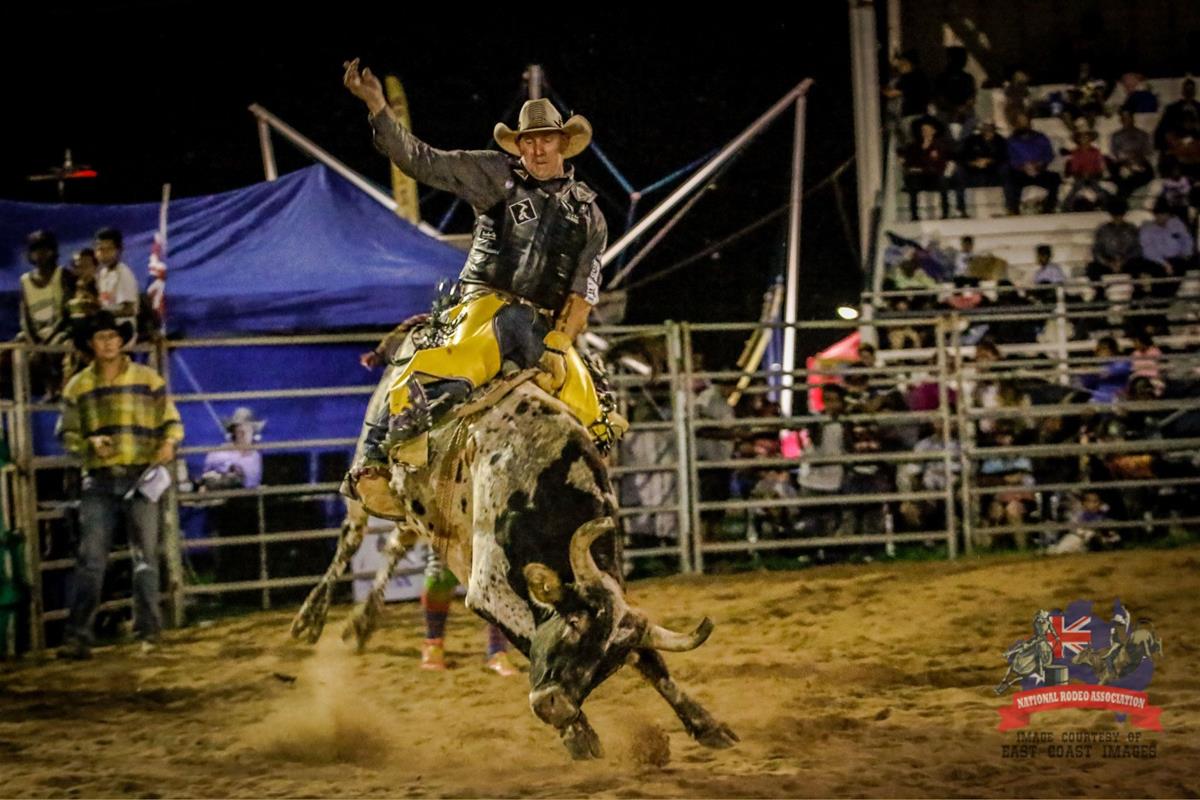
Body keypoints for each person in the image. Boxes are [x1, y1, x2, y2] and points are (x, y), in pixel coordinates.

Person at [340, 59, 620, 515]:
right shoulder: (493, 173)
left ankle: (588, 504)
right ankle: (374, 467)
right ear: (520, 144)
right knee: (432, 371)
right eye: (529, 140)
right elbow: (421, 160)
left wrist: (560, 341)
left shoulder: (588, 214)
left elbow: (582, 290)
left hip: (543, 326)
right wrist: (377, 107)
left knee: (594, 411)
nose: (538, 149)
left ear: (562, 143)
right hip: (484, 304)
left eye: (546, 139)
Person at [56, 311, 184, 659]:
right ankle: (79, 637)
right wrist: (89, 444)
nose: (109, 342)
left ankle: (148, 632)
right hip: (99, 480)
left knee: (145, 557)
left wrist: (168, 442)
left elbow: (171, 421)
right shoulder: (78, 386)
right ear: (91, 344)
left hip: (140, 475)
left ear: (121, 340)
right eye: (101, 337)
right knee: (92, 559)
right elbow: (67, 433)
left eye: (113, 336)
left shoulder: (148, 379)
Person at [16, 230, 74, 398]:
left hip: (60, 330)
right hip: (36, 333)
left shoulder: (62, 275)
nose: (40, 254)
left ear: (52, 251)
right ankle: (21, 395)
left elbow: (66, 312)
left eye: (45, 249)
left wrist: (47, 339)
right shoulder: (25, 280)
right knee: (12, 350)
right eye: (35, 250)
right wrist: (34, 341)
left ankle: (58, 389)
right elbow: (25, 317)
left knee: (57, 346)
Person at [1004, 113, 1061, 215]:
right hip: (1021, 172)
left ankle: (1049, 208)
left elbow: (1049, 154)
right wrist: (1023, 166)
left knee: (1055, 178)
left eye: (1024, 121)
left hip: (1039, 170)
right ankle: (1013, 209)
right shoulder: (1012, 140)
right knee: (1010, 178)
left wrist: (1039, 164)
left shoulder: (1041, 137)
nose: (1023, 124)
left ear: (1029, 122)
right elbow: (1011, 158)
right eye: (1020, 122)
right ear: (1016, 124)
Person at [201, 407, 265, 490]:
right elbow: (206, 478)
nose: (244, 434)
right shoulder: (217, 454)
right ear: (234, 432)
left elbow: (256, 482)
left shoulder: (256, 456)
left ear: (253, 432)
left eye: (248, 430)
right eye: (240, 431)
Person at [93, 227, 140, 339]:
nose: (104, 254)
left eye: (109, 249)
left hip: (122, 328)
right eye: (100, 249)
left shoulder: (124, 273)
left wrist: (104, 315)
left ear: (119, 250)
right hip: (105, 326)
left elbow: (130, 310)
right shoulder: (102, 273)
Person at [1107, 109, 1155, 201]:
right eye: (1124, 118)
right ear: (1121, 120)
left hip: (1140, 162)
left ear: (1133, 119)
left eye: (1128, 117)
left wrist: (1137, 158)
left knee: (1146, 174)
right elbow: (1114, 153)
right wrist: (1126, 162)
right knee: (1118, 172)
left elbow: (1148, 151)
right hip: (1123, 162)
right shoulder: (1116, 136)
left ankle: (1121, 196)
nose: (1126, 120)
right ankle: (1122, 196)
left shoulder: (1142, 134)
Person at [1139, 197, 1195, 273]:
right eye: (1160, 215)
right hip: (1157, 261)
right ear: (1155, 215)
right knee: (1155, 268)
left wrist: (1186, 254)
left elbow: (1186, 240)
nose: (1163, 217)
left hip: (1178, 258)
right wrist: (1164, 263)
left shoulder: (1177, 224)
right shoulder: (1147, 229)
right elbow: (1148, 250)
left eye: (1166, 215)